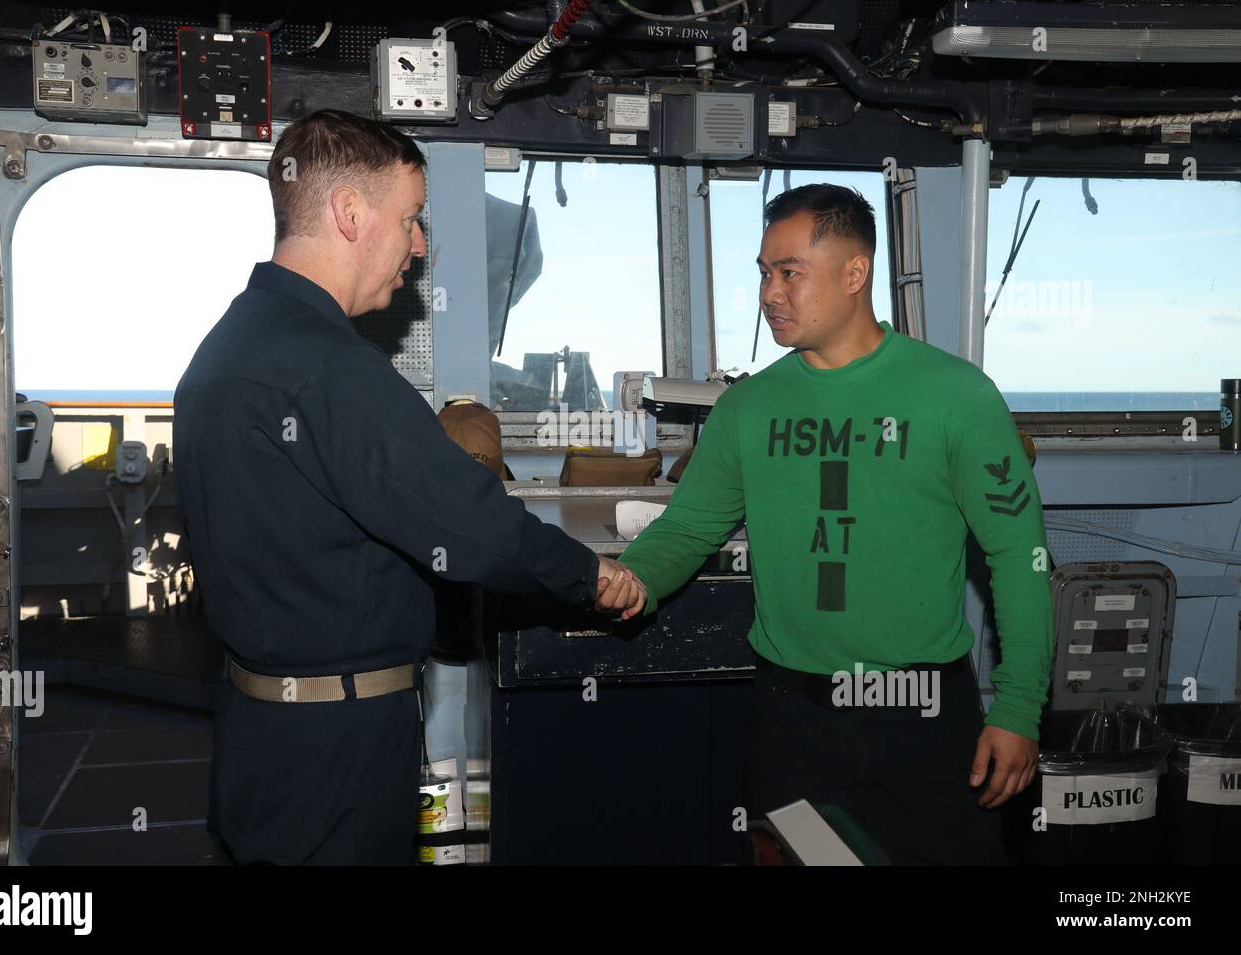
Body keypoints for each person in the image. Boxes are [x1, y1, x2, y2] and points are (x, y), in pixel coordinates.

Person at [173, 109, 642, 865]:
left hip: (259, 730)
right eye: (412, 219)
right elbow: (466, 524)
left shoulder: (230, 343)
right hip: (338, 750)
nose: (419, 246)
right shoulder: (330, 367)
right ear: (350, 213)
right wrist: (591, 575)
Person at [612, 184, 1052, 865]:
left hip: (923, 721)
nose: (769, 293)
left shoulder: (956, 396)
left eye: (790, 272)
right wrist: (631, 576)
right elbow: (689, 529)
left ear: (854, 274)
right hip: (793, 726)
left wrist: (1019, 710)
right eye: (763, 272)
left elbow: (1019, 559)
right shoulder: (747, 408)